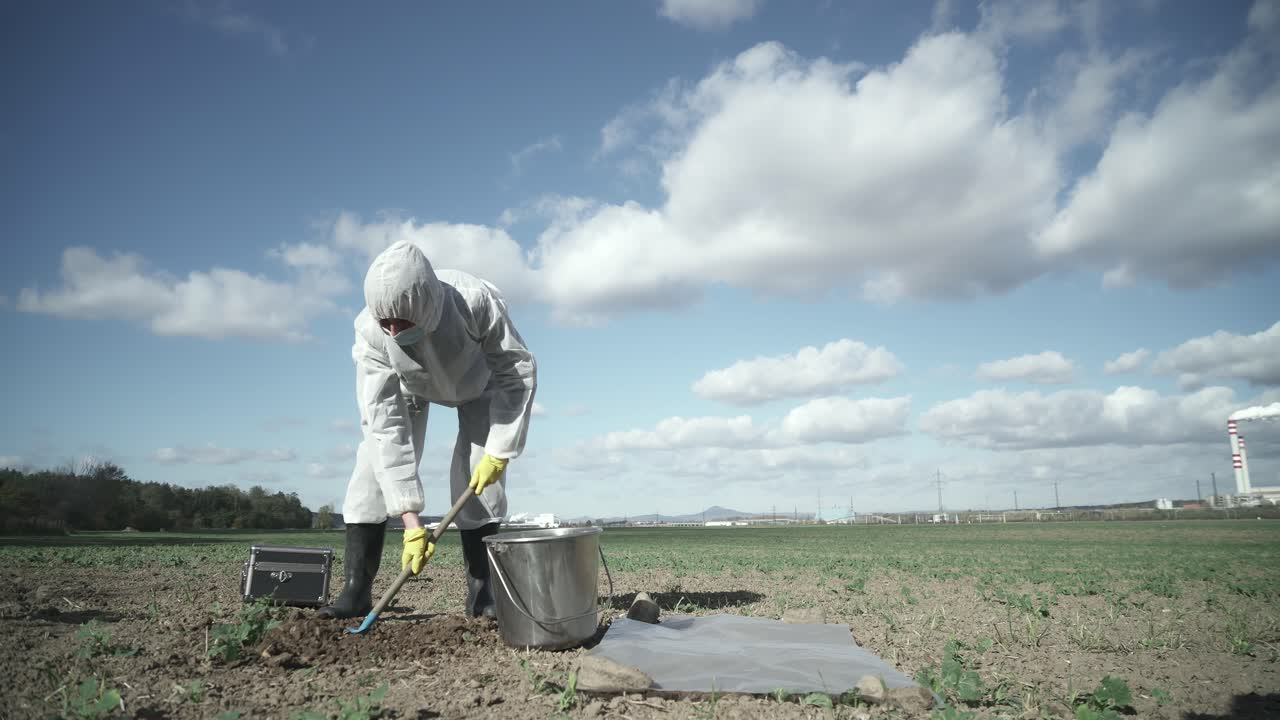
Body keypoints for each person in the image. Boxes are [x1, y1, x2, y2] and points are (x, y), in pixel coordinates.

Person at [318, 240, 537, 620]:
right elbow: (383, 426)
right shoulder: (370, 332)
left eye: (401, 323)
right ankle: (356, 590)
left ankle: (482, 592)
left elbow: (516, 372)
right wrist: (411, 523)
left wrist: (500, 450)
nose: (392, 330)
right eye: (385, 323)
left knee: (478, 477)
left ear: (426, 305)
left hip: (479, 384)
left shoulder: (475, 301)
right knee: (370, 470)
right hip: (411, 387)